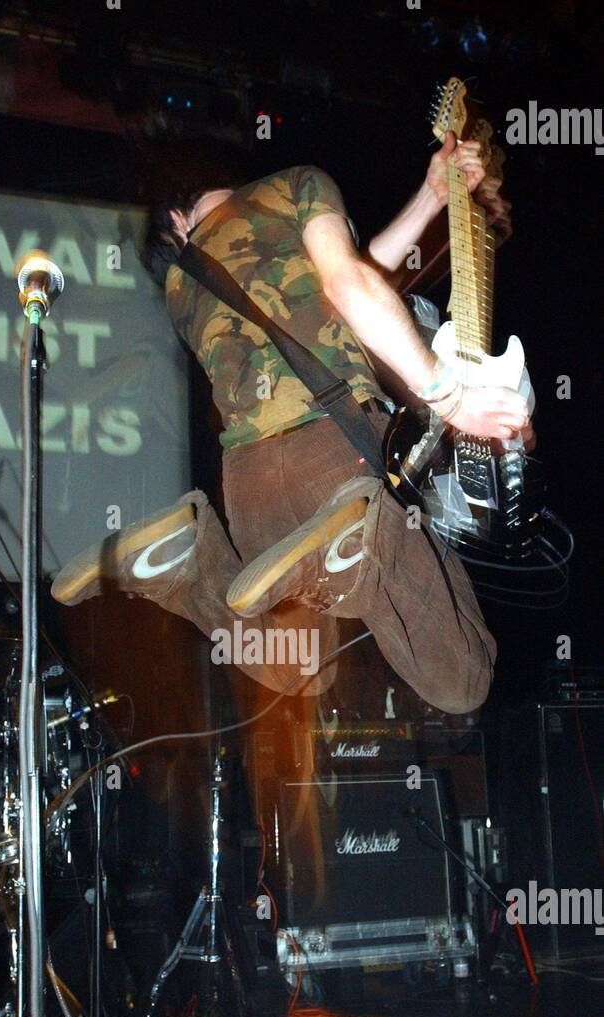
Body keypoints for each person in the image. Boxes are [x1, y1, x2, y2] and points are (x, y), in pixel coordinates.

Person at [52, 136, 534, 713]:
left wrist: (432, 196)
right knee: (462, 680)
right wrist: (452, 399)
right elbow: (347, 285)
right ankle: (356, 544)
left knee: (297, 663)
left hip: (249, 484)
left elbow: (352, 277)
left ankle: (191, 567)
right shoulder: (295, 184)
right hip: (335, 454)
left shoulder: (182, 285)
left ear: (177, 224)